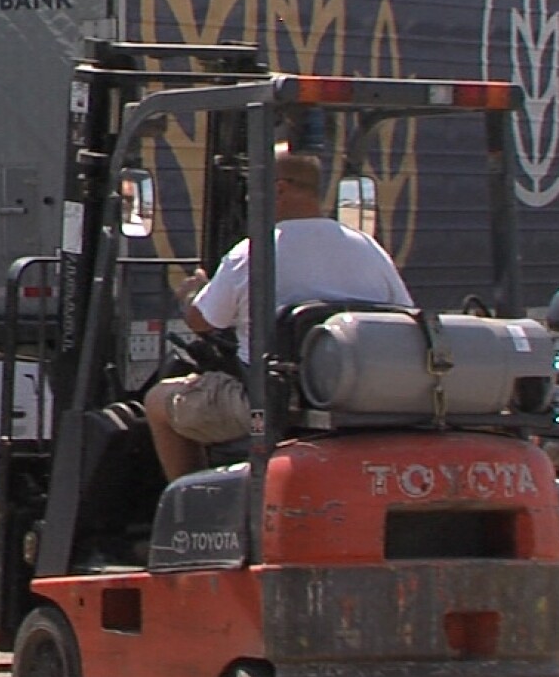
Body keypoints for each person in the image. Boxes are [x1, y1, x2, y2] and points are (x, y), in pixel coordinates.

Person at [143, 149, 413, 480]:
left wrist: (191, 294)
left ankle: (188, 501)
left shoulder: (253, 252)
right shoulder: (368, 248)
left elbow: (203, 322)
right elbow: (403, 316)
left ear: (280, 189)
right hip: (352, 399)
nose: (247, 199)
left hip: (267, 405)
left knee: (158, 401)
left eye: (252, 188)